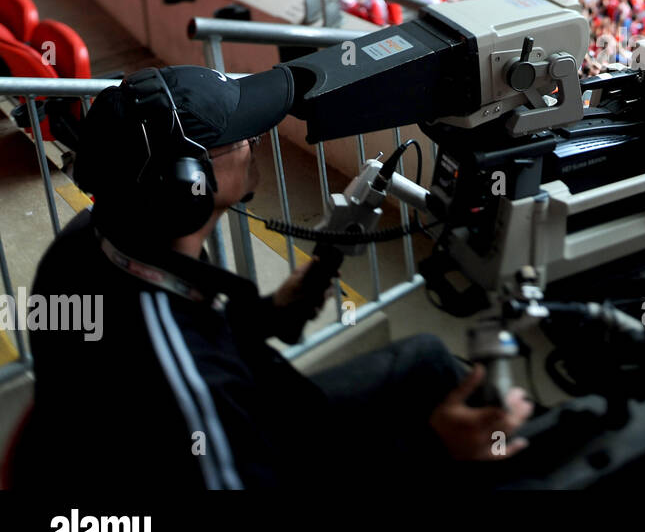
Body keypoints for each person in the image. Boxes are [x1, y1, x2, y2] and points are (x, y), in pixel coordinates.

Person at [12, 65, 533, 490]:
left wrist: (266, 315)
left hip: (233, 421)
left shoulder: (101, 236)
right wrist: (430, 452)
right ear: (187, 183)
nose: (257, 140)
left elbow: (172, 323)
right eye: (242, 137)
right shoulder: (188, 385)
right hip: (240, 450)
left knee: (426, 360)